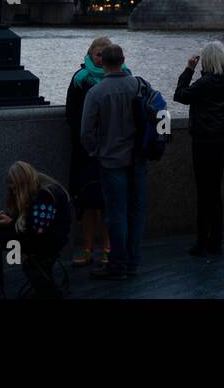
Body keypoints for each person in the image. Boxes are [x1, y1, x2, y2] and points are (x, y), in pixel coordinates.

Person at [80, 43, 145, 280]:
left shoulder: (97, 92)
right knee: (136, 212)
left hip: (110, 160)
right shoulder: (138, 84)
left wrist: (97, 150)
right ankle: (133, 262)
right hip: (137, 159)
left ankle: (117, 265)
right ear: (123, 60)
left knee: (116, 214)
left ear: (103, 63)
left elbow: (86, 132)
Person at [174, 41, 224, 259]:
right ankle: (216, 242)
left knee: (204, 193)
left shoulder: (204, 83)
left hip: (203, 142)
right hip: (222, 142)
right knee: (215, 192)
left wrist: (189, 69)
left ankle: (202, 242)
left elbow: (180, 95)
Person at [0, 161, 72, 298]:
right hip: (38, 236)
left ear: (22, 183)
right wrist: (10, 221)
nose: (14, 192)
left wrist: (11, 223)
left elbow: (37, 230)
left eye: (15, 189)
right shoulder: (38, 185)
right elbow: (31, 223)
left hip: (45, 242)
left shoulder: (46, 194)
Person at [65, 36, 113, 268]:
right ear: (91, 55)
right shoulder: (80, 79)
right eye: (97, 54)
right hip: (86, 152)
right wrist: (87, 140)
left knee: (107, 204)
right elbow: (71, 115)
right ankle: (87, 248)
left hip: (111, 152)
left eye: (105, 54)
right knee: (87, 203)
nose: (101, 58)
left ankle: (107, 248)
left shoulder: (121, 77)